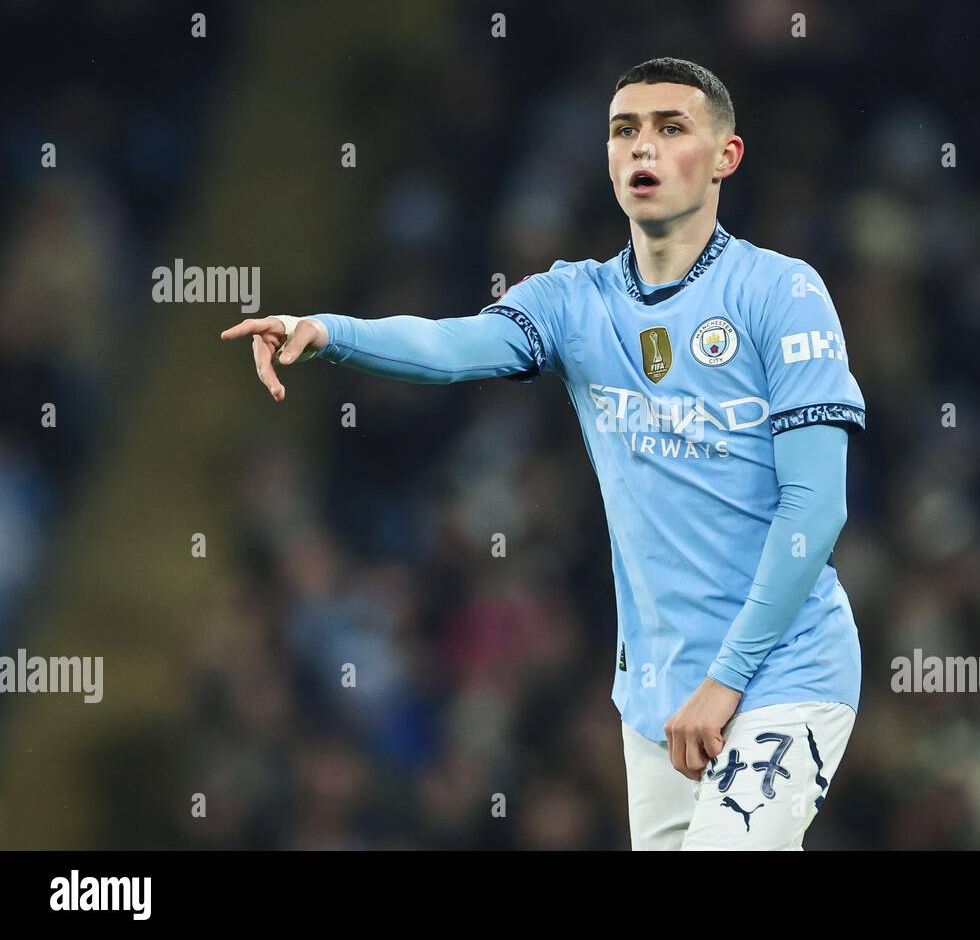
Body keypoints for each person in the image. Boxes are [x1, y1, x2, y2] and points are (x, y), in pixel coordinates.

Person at [221, 57, 866, 850]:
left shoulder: (782, 293)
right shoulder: (573, 300)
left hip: (781, 671)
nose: (644, 149)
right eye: (625, 130)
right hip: (659, 692)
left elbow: (817, 507)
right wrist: (328, 333)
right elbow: (455, 343)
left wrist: (726, 681)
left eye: (672, 129)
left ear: (726, 157)